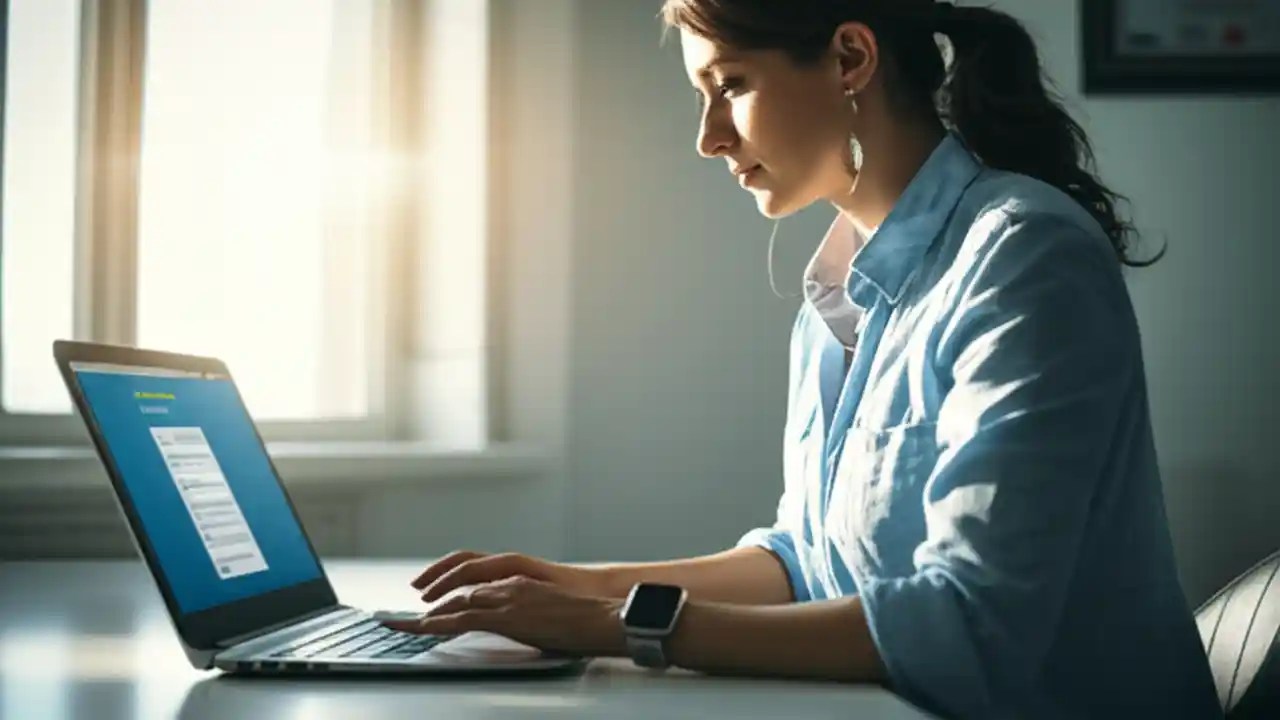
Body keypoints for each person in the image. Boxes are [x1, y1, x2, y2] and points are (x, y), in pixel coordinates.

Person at [386, 1, 1223, 718]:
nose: (708, 138)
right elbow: (802, 562)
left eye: (731, 86)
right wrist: (570, 586)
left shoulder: (1021, 255)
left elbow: (969, 623)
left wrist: (617, 624)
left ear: (850, 59)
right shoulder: (834, 297)